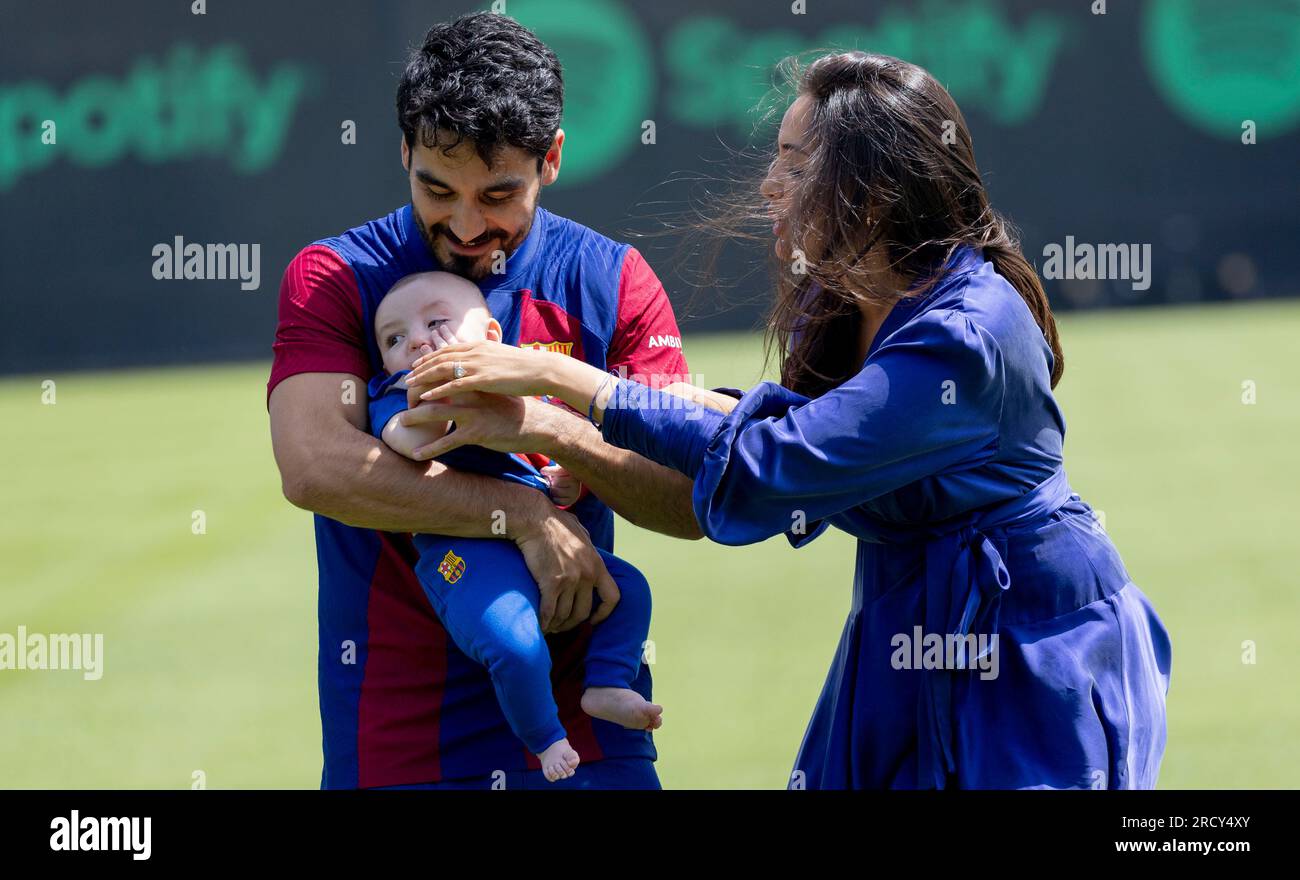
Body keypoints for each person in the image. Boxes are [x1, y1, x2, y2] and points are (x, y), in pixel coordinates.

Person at [398, 51, 1174, 789]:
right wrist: (597, 408)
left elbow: (775, 466)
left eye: (798, 165)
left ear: (873, 191)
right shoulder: (843, 299)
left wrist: (560, 392)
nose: (770, 185)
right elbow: (778, 420)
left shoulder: (965, 335)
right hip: (908, 616)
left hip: (1028, 643)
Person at [267, 12, 696, 790]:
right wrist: (523, 514)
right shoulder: (334, 275)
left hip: (586, 724)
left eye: (498, 193)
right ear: (403, 150)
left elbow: (686, 499)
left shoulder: (612, 280)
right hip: (396, 732)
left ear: (552, 158)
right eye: (437, 188)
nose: (466, 225)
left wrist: (541, 425)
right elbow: (314, 466)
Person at [367, 271, 663, 782]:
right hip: (464, 554)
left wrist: (566, 481)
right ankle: (546, 739)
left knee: (631, 590)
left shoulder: (520, 392)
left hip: (544, 545)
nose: (416, 341)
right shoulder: (398, 392)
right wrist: (439, 397)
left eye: (436, 323)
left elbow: (550, 455)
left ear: (493, 341)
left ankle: (608, 683)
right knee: (514, 643)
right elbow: (405, 441)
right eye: (395, 339)